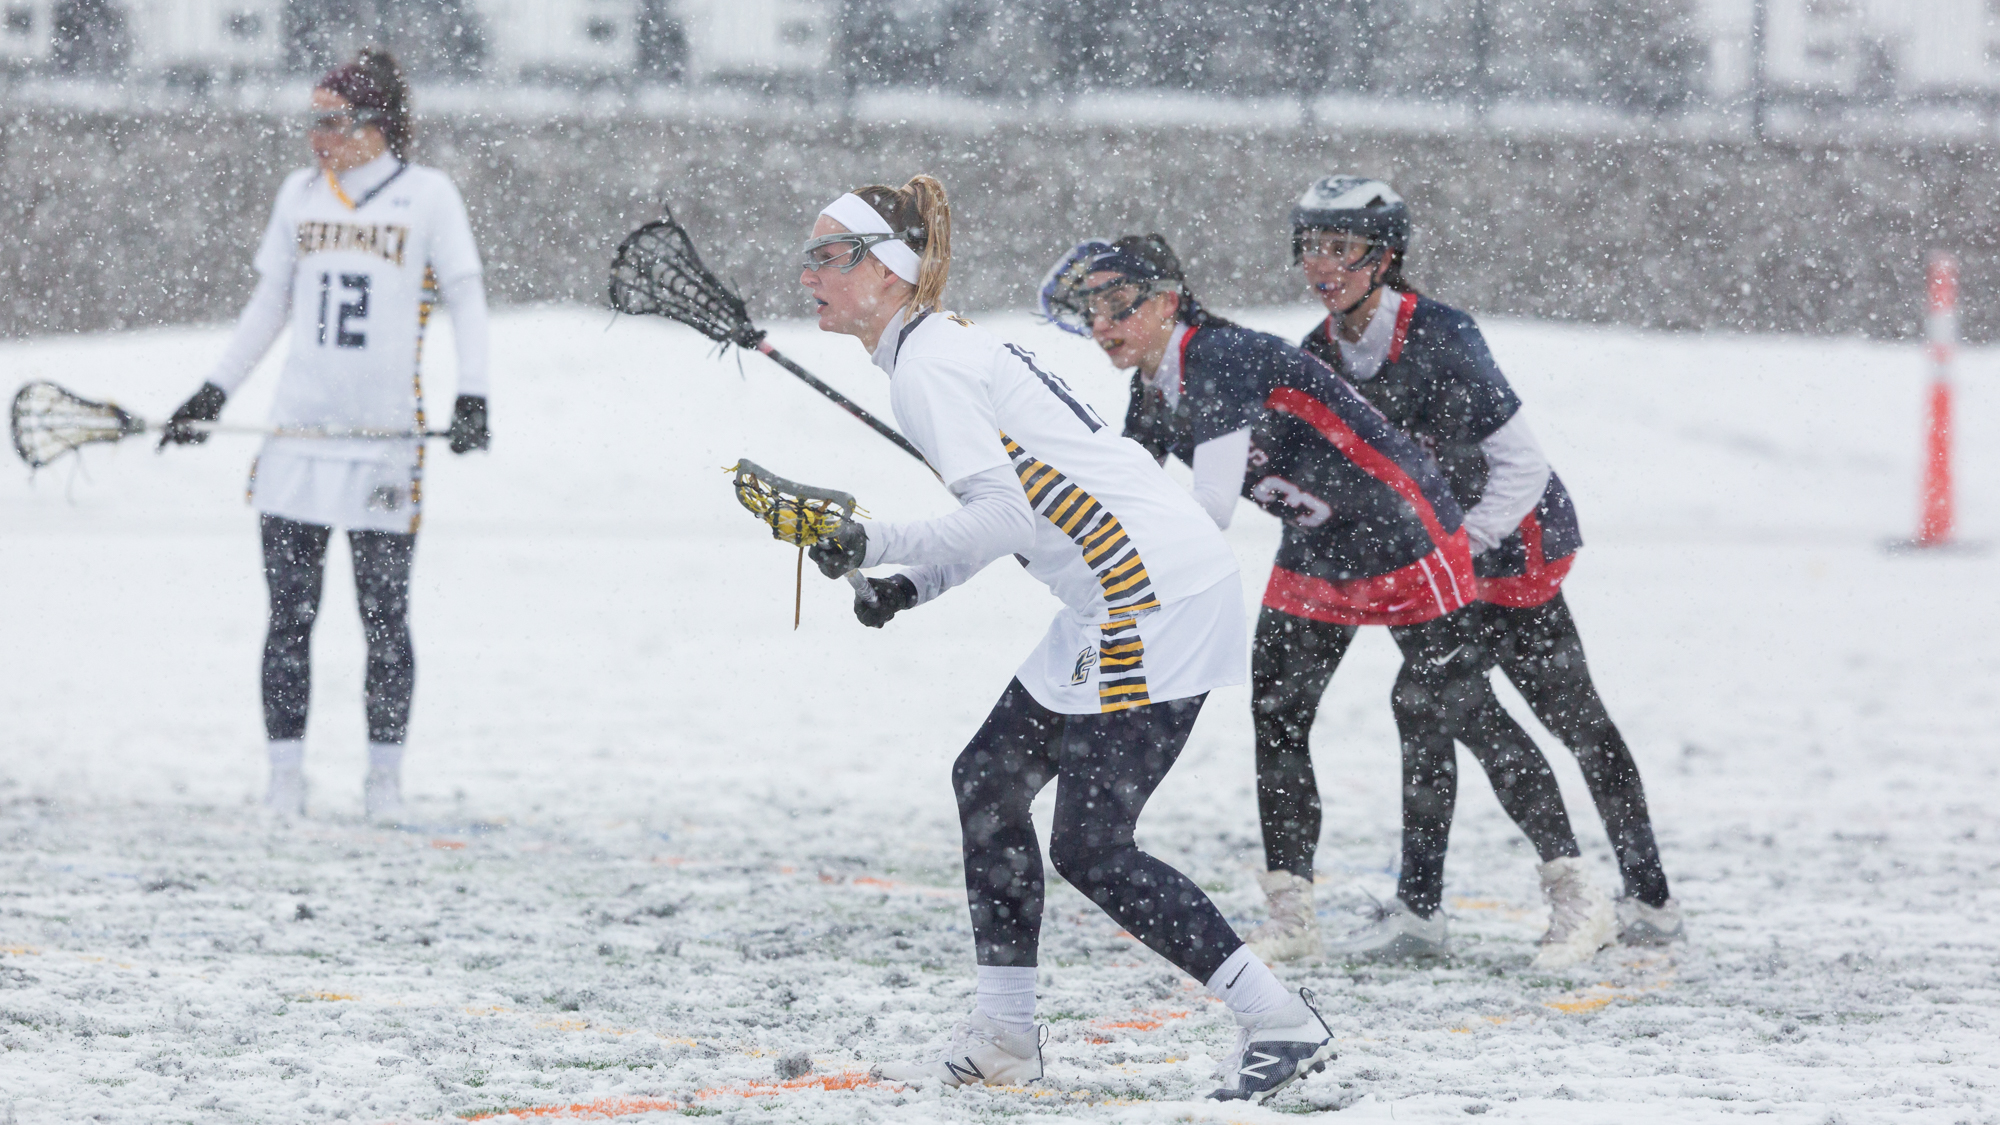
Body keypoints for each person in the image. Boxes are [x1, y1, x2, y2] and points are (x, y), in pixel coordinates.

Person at [794, 176, 1331, 1103]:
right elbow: (1024, 513)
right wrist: (912, 581)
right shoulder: (936, 349)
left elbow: (1001, 516)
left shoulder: (928, 366)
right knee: (988, 781)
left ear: (886, 269)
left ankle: (1279, 1019)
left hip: (1150, 597)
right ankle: (1004, 1035)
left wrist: (873, 539)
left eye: (828, 256)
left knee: (1092, 846)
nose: (809, 274)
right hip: (1118, 594)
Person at [1040, 235, 1616, 971]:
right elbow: (1128, 497)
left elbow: (1209, 510)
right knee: (1278, 716)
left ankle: (1577, 894)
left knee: (1467, 710)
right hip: (1319, 546)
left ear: (1167, 302)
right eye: (1091, 311)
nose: (1102, 326)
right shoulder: (1152, 387)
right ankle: (1293, 915)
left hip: (1404, 532)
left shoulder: (1218, 356)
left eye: (1119, 307)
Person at [1288, 176, 1681, 946]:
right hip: (1440, 562)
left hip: (1513, 543)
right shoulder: (1319, 353)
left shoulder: (1441, 335)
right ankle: (1421, 911)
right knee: (1422, 702)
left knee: (1569, 717)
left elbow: (1522, 465)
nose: (1321, 264)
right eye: (1310, 246)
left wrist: (1457, 551)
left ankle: (1648, 898)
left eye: (1340, 246)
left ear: (1384, 256)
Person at [159, 48, 491, 825]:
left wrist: (473, 394)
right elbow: (270, 304)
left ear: (376, 124)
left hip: (383, 444)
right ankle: (285, 778)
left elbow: (467, 298)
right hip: (297, 440)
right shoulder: (299, 196)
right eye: (312, 120)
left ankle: (383, 781)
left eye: (331, 121)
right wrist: (213, 391)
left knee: (384, 619)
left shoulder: (427, 196)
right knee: (289, 617)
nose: (317, 137)